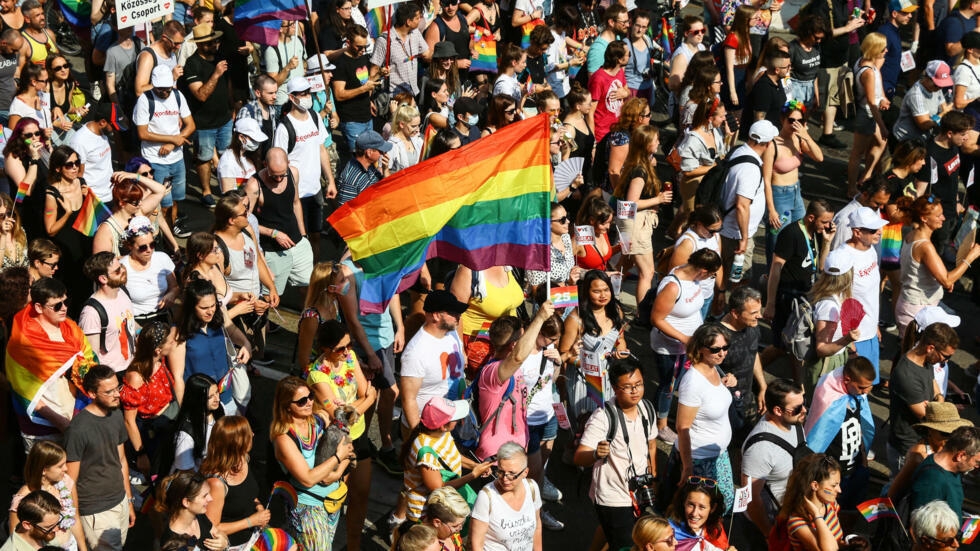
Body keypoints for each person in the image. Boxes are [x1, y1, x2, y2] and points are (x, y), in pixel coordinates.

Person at [305, 319, 378, 549]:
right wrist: (367, 401)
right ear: (325, 349)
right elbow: (340, 417)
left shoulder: (350, 357)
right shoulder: (317, 375)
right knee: (335, 497)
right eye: (340, 348)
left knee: (361, 492)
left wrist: (357, 403)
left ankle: (353, 544)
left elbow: (364, 391)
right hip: (338, 442)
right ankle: (324, 541)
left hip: (359, 435)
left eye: (349, 345)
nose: (347, 352)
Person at [574, 361, 658, 551]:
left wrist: (653, 479)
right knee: (626, 544)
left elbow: (652, 445)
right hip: (612, 496)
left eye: (639, 384)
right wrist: (596, 454)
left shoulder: (647, 409)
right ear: (614, 388)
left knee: (609, 531)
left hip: (639, 491)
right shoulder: (603, 417)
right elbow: (579, 457)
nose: (635, 391)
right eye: (627, 387)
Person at [6, 277, 95, 449]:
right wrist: (60, 422)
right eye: (57, 305)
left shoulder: (72, 329)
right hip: (43, 430)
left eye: (66, 301)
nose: (64, 308)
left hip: (77, 418)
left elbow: (90, 365)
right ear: (39, 307)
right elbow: (26, 393)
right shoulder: (21, 343)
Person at [270, 376, 354, 551]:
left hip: (332, 501)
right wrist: (337, 458)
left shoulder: (319, 419)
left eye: (310, 397)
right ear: (287, 406)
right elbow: (307, 479)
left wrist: (337, 474)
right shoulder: (284, 438)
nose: (308, 402)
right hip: (308, 508)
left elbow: (348, 446)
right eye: (301, 401)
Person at [650, 249, 722, 441]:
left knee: (682, 383)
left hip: (689, 347)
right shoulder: (673, 286)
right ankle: (661, 426)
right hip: (671, 348)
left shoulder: (694, 279)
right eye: (712, 274)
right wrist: (686, 339)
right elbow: (657, 319)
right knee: (669, 386)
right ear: (703, 271)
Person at [665, 324, 737, 513]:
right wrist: (687, 466)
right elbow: (682, 427)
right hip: (699, 460)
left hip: (719, 454)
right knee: (702, 511)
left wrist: (726, 383)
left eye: (725, 347)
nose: (722, 353)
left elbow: (710, 398)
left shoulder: (714, 369)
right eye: (715, 349)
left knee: (723, 503)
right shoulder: (692, 382)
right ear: (700, 349)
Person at [65, 364, 135, 551]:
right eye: (109, 391)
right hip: (96, 511)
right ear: (92, 394)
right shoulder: (78, 430)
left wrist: (128, 499)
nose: (117, 394)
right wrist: (75, 521)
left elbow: (121, 460)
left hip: (119, 502)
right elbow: (69, 481)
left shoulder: (116, 414)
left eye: (117, 388)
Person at [896, 196, 980, 336]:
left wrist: (940, 279)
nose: (943, 218)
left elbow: (925, 270)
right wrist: (969, 258)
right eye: (938, 215)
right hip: (918, 309)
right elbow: (946, 280)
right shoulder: (925, 246)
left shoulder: (912, 234)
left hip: (911, 304)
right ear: (924, 218)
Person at [271, 78, 336, 256]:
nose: (308, 96)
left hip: (315, 191)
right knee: (300, 237)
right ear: (292, 98)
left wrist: (330, 181)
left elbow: (322, 149)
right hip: (295, 195)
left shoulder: (315, 116)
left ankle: (313, 270)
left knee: (315, 235)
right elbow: (279, 162)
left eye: (309, 92)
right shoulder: (285, 128)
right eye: (304, 94)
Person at [400, 397, 491, 523]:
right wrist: (473, 475)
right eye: (455, 418)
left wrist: (474, 465)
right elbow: (439, 488)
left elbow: (452, 455)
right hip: (426, 514)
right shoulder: (425, 453)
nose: (458, 420)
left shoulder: (442, 433)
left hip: (444, 504)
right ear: (443, 426)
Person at [169, 279, 251, 415]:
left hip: (225, 397)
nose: (210, 312)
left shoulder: (218, 317)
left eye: (213, 305)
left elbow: (233, 331)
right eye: (204, 308)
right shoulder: (179, 333)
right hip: (199, 403)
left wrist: (246, 344)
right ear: (191, 307)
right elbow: (177, 378)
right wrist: (184, 412)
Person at [803, 357, 876, 509]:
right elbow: (818, 438)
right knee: (834, 511)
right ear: (847, 379)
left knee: (856, 508)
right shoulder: (828, 396)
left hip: (856, 465)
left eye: (870, 387)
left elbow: (861, 427)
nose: (866, 393)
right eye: (862, 387)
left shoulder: (856, 393)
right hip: (834, 474)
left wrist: (863, 458)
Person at [888, 322, 959, 472]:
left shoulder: (926, 361)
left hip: (922, 442)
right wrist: (941, 405)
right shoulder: (906, 374)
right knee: (902, 492)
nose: (946, 361)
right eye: (946, 356)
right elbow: (926, 415)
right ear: (931, 348)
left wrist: (938, 399)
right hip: (908, 448)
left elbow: (934, 386)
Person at [740, 379, 807, 539]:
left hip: (789, 516)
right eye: (797, 408)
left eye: (804, 404)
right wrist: (769, 534)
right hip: (767, 524)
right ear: (778, 410)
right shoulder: (760, 449)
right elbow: (749, 498)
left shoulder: (793, 422)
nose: (804, 410)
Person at [764, 200, 835, 350]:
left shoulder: (819, 232)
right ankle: (757, 366)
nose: (828, 226)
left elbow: (820, 266)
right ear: (811, 218)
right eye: (825, 222)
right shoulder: (791, 234)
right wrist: (770, 304)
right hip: (787, 297)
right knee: (781, 346)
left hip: (806, 294)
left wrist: (827, 242)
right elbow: (775, 269)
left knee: (799, 345)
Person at [611, 125, 671, 301]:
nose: (659, 142)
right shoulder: (640, 171)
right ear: (646, 145)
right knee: (647, 271)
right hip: (636, 224)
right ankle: (642, 315)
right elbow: (632, 202)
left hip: (633, 223)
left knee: (625, 263)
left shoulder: (640, 164)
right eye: (655, 140)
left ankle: (609, 293)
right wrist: (658, 200)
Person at [133, 65, 195, 237]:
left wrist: (173, 144)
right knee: (160, 204)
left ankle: (170, 230)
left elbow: (191, 125)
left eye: (168, 89)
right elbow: (142, 133)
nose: (165, 93)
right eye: (161, 89)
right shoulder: (145, 100)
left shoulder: (177, 95)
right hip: (155, 160)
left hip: (176, 159)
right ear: (154, 85)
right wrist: (172, 139)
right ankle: (158, 235)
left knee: (175, 201)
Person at [560, 270, 629, 421]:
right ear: (586, 292)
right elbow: (564, 353)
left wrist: (621, 350)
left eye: (606, 290)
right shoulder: (576, 319)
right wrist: (584, 362)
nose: (603, 295)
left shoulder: (616, 311)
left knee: (608, 421)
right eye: (597, 291)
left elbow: (620, 339)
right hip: (583, 380)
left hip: (609, 376)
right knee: (584, 424)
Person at [399, 290, 466, 432]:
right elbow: (408, 400)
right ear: (435, 315)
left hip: (452, 417)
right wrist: (419, 436)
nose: (458, 316)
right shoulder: (416, 353)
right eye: (452, 313)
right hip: (429, 427)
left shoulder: (452, 331)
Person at [718, 119, 776, 285]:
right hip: (735, 234)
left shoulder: (738, 151)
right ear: (768, 143)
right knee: (740, 279)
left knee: (723, 273)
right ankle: (729, 308)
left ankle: (719, 303)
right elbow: (742, 205)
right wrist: (744, 238)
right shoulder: (750, 169)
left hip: (727, 228)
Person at [764, 103, 823, 264]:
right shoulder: (773, 145)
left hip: (796, 193)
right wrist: (771, 210)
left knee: (802, 233)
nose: (794, 124)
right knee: (778, 241)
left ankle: (793, 271)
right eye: (791, 120)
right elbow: (766, 181)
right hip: (779, 196)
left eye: (799, 121)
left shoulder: (798, 139)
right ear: (782, 119)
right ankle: (772, 278)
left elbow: (819, 157)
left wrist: (806, 136)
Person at [200, 416, 270, 550]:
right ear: (238, 442)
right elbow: (212, 528)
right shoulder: (216, 483)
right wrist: (251, 521)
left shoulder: (243, 458)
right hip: (232, 545)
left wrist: (259, 506)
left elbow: (247, 494)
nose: (253, 434)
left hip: (253, 536)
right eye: (248, 433)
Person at [251, 148, 313, 299]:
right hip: (272, 251)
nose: (279, 179)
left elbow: (296, 203)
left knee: (310, 288)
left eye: (282, 175)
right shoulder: (254, 185)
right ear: (265, 164)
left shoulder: (293, 174)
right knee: (270, 296)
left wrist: (303, 235)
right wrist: (273, 233)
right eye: (274, 176)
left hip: (298, 244)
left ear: (288, 164)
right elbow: (246, 222)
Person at [120, 321, 177, 479]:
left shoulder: (160, 361)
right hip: (152, 436)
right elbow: (129, 421)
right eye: (170, 341)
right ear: (158, 350)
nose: (173, 343)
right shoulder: (136, 377)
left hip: (169, 424)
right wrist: (141, 453)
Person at [836, 207, 885, 384]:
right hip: (854, 338)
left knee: (866, 387)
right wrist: (849, 343)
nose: (879, 232)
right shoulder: (842, 258)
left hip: (870, 333)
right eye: (873, 230)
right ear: (857, 232)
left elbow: (871, 292)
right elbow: (836, 301)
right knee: (853, 388)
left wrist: (875, 324)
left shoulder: (871, 250)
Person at [914, 111, 974, 255]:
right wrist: (916, 219)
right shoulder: (930, 155)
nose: (966, 138)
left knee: (944, 244)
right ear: (949, 133)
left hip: (952, 208)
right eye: (963, 134)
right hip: (938, 214)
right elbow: (920, 190)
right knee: (935, 250)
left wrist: (957, 201)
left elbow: (953, 177)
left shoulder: (954, 146)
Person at [8, 441, 86, 551]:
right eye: (60, 466)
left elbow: (75, 519)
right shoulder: (24, 497)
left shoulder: (66, 482)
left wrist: (83, 548)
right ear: (44, 470)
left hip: (70, 546)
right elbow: (16, 539)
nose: (66, 469)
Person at [889, 401, 973, 500]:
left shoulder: (955, 445)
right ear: (930, 430)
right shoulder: (919, 456)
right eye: (945, 433)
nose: (950, 438)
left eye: (955, 432)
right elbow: (894, 491)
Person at [803, 249, 858, 393]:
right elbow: (821, 349)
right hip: (827, 366)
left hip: (834, 360)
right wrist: (847, 339)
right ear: (847, 275)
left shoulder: (832, 295)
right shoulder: (829, 307)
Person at [470, 442, 542, 551]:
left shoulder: (532, 488)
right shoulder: (486, 497)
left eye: (512, 473)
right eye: (501, 472)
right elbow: (476, 545)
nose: (504, 478)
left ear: (525, 472)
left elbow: (537, 527)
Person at [79, 252, 136, 373]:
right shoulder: (91, 312)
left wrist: (143, 332)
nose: (122, 271)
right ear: (103, 279)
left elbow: (129, 322)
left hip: (132, 366)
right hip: (112, 374)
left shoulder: (122, 292)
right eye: (117, 271)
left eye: (121, 266)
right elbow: (91, 357)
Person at [718, 287, 767, 428]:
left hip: (747, 398)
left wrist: (763, 387)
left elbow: (753, 353)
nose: (760, 316)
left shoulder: (752, 325)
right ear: (735, 313)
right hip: (724, 405)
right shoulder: (717, 338)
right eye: (754, 313)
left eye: (759, 311)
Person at [908, 425, 980, 518]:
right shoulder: (933, 482)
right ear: (960, 455)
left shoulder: (954, 469)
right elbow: (924, 527)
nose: (977, 466)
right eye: (977, 462)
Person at [91, 171, 168, 257]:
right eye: (135, 202)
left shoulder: (139, 213)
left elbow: (161, 190)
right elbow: (101, 263)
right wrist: (134, 258)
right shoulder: (106, 230)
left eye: (140, 200)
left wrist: (135, 176)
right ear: (122, 203)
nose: (140, 204)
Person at [666, 205, 723, 318]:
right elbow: (674, 275)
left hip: (707, 296)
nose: (714, 233)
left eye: (719, 229)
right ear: (699, 224)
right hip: (689, 299)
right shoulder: (688, 242)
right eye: (712, 230)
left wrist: (720, 291)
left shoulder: (715, 236)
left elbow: (718, 265)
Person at [778, 454, 844, 551]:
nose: (839, 490)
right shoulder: (798, 523)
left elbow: (836, 540)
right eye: (834, 485)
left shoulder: (830, 504)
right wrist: (817, 515)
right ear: (815, 485)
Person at [119, 217, 178, 326]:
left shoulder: (162, 258)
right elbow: (117, 304)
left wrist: (171, 294)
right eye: (142, 247)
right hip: (136, 321)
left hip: (162, 317)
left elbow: (174, 287)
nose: (149, 250)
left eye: (152, 244)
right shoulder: (122, 268)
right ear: (129, 246)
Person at [676, 98, 730, 213]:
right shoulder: (693, 139)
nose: (724, 119)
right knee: (691, 218)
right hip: (694, 187)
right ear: (710, 118)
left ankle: (673, 230)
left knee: (688, 216)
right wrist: (714, 167)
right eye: (721, 116)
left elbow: (722, 155)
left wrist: (729, 136)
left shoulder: (716, 131)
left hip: (709, 185)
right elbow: (687, 171)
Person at [333, 26, 382, 151]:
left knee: (370, 156)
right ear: (348, 43)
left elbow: (365, 82)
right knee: (359, 159)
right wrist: (363, 89)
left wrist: (379, 75)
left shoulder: (363, 57)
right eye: (359, 46)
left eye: (365, 46)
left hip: (367, 117)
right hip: (352, 121)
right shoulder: (342, 63)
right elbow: (339, 94)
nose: (363, 50)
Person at [155, 470, 229, 551]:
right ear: (186, 502)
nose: (210, 498)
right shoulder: (173, 544)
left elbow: (217, 532)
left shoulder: (198, 516)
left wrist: (224, 542)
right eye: (204, 496)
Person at [169, 374, 223, 473]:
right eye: (211, 396)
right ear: (197, 399)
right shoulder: (185, 434)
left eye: (217, 392)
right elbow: (185, 472)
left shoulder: (219, 409)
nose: (217, 399)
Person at [69, 102, 122, 203]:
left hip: (110, 193)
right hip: (94, 199)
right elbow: (78, 174)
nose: (115, 130)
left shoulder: (103, 133)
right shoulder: (80, 141)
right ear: (102, 122)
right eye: (113, 126)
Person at [294, 262, 343, 370]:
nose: (346, 283)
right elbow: (304, 359)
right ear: (331, 288)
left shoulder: (335, 304)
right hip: (317, 372)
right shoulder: (312, 318)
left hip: (333, 365)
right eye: (342, 281)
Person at [372, 3, 428, 96]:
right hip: (394, 97)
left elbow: (427, 53)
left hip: (413, 94)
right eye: (417, 18)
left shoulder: (415, 33)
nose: (420, 21)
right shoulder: (384, 41)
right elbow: (373, 70)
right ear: (408, 22)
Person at [5, 117, 47, 239]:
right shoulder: (13, 157)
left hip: (44, 208)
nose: (34, 138)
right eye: (29, 135)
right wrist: (34, 160)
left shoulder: (43, 150)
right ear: (20, 137)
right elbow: (25, 192)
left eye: (37, 133)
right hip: (27, 211)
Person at [892, 61, 953, 143]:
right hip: (906, 140)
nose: (939, 88)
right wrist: (942, 114)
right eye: (937, 84)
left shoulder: (936, 89)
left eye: (942, 85)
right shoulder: (916, 95)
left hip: (923, 139)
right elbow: (924, 125)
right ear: (927, 77)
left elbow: (943, 107)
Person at [666, 480, 734, 551]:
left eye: (702, 507)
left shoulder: (715, 529)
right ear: (684, 502)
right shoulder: (668, 532)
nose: (694, 513)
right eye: (691, 505)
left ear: (713, 508)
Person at [827, 177, 891, 251]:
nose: (882, 208)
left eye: (884, 204)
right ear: (865, 195)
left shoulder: (874, 208)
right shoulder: (845, 221)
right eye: (878, 203)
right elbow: (839, 256)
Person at [527, 203, 580, 289]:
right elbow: (536, 290)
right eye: (563, 220)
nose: (568, 221)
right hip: (550, 300)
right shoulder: (537, 250)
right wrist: (564, 284)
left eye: (567, 217)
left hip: (569, 296)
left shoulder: (565, 237)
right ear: (548, 223)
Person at [589, 40, 629, 144]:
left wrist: (625, 93)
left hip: (617, 130)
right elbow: (589, 112)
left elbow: (627, 90)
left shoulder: (619, 71)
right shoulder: (598, 79)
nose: (630, 57)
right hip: (601, 136)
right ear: (620, 60)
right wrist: (593, 142)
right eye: (628, 55)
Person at [337, 129, 391, 204]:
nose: (384, 154)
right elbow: (346, 212)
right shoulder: (350, 181)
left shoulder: (370, 165)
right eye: (381, 151)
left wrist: (385, 169)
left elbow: (385, 186)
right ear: (369, 152)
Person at [880, 0, 917, 100]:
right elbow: (876, 63)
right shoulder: (885, 33)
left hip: (890, 83)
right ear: (894, 14)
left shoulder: (894, 30)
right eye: (905, 13)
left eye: (910, 13)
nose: (910, 16)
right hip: (882, 87)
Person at [217, 118, 266, 192]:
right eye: (253, 139)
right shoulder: (228, 162)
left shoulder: (249, 154)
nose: (257, 143)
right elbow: (229, 194)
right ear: (241, 138)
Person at [745, 48, 789, 129]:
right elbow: (759, 119)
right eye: (787, 67)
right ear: (777, 70)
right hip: (766, 137)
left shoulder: (777, 81)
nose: (789, 69)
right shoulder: (764, 88)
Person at [788, 16, 825, 110]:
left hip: (811, 86)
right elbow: (786, 73)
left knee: (806, 115)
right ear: (808, 33)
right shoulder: (792, 48)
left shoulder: (816, 47)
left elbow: (814, 73)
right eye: (816, 38)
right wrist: (788, 95)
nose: (819, 41)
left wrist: (816, 94)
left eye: (821, 38)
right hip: (795, 87)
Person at [668, 15, 707, 101]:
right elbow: (673, 85)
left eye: (703, 31)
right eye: (696, 32)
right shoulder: (681, 56)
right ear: (686, 34)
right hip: (685, 101)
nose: (700, 34)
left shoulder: (701, 47)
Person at [585, 4, 628, 75]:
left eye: (627, 21)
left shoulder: (617, 38)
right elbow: (594, 83)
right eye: (624, 22)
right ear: (611, 22)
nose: (627, 25)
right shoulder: (598, 49)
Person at [7, 64, 49, 132]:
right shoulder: (17, 106)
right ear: (34, 82)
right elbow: (12, 137)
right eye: (46, 81)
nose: (48, 84)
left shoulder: (42, 95)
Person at [387, 104, 422, 174]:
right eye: (413, 126)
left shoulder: (417, 140)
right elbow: (385, 172)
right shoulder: (391, 146)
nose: (417, 130)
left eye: (419, 125)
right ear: (402, 124)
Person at [0, 193, 27, 267]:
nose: (6, 218)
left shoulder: (20, 232)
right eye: (1, 215)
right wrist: (3, 235)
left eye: (9, 214)